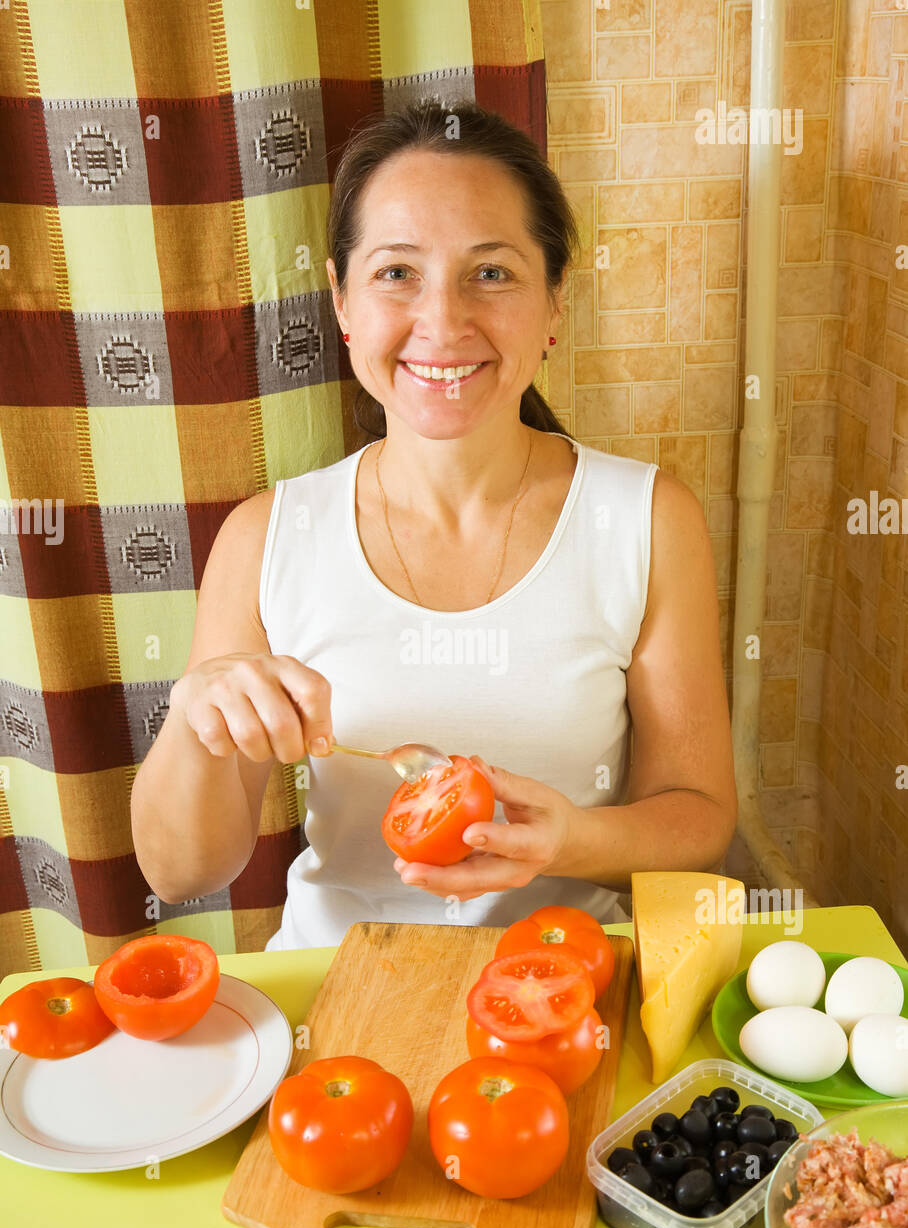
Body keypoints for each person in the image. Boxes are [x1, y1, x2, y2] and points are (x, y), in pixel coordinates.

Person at [130, 99, 737, 951]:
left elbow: (699, 817)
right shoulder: (266, 536)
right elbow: (179, 873)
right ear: (342, 303)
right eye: (396, 273)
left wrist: (570, 840)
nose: (443, 323)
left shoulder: (645, 518)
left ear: (555, 303)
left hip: (565, 983)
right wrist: (195, 717)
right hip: (337, 992)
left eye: (491, 273)